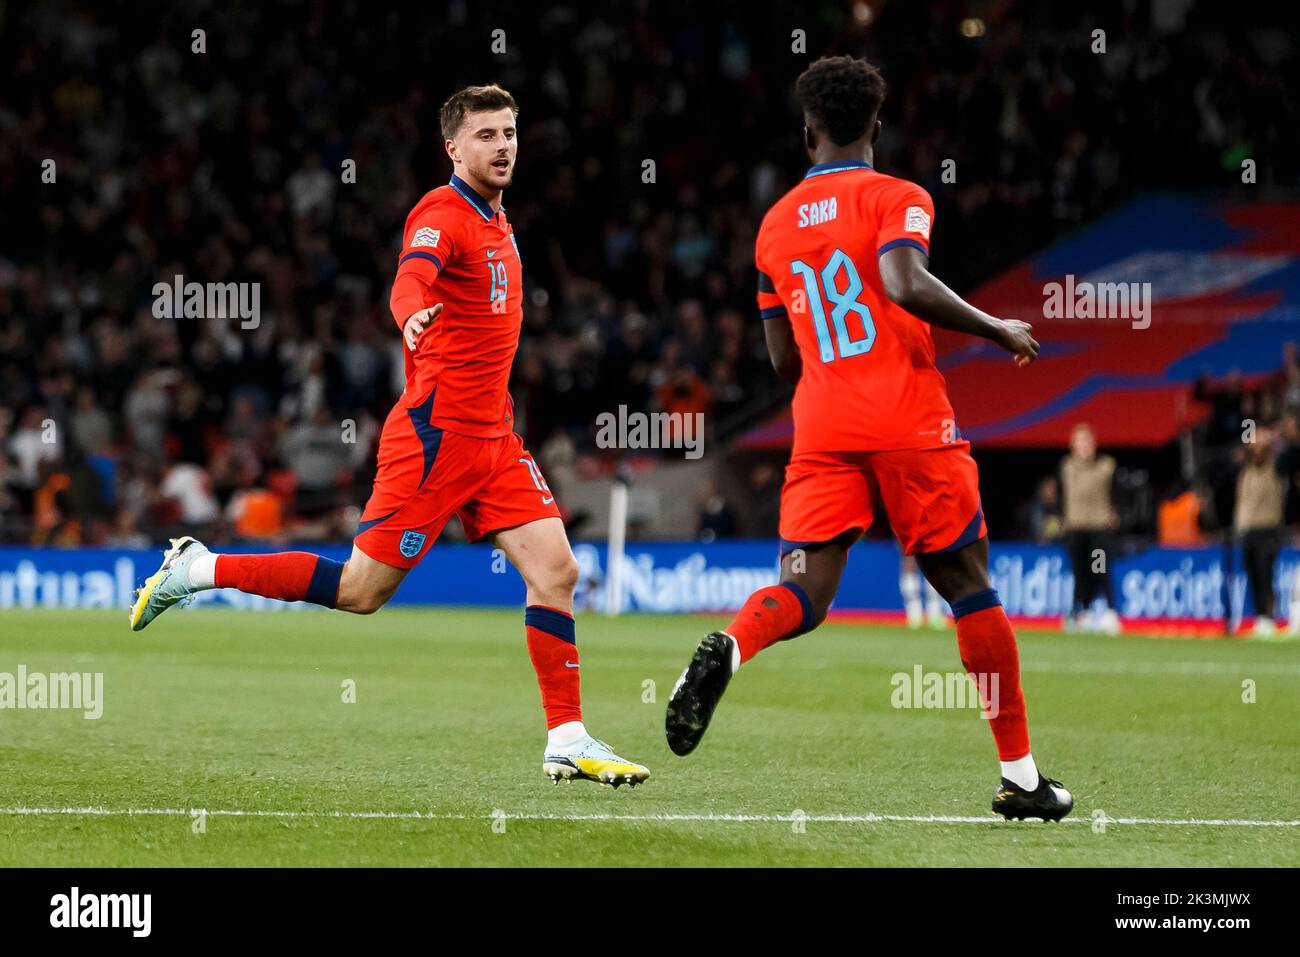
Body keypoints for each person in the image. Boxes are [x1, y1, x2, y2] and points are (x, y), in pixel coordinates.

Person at [129, 84, 648, 789]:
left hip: (493, 439)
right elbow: (411, 278)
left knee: (556, 571)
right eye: (487, 135)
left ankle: (566, 736)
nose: (503, 146)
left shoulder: (501, 220)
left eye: (510, 133)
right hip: (434, 438)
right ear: (453, 147)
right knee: (360, 591)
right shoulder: (442, 212)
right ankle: (197, 569)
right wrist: (409, 314)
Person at [664, 55, 1071, 821]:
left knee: (806, 590)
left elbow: (783, 359)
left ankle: (731, 644)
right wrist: (994, 327)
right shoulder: (898, 196)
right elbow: (903, 280)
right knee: (967, 585)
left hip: (821, 422)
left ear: (807, 130)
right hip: (909, 417)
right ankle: (1020, 777)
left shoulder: (774, 224)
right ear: (875, 127)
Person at [1059, 423, 1121, 634]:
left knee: (1100, 570)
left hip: (1098, 530)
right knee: (1080, 573)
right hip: (1076, 530)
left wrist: (1115, 515)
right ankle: (1082, 613)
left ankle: (1110, 613)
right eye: (1080, 441)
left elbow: (1118, 495)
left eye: (1088, 441)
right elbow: (1061, 497)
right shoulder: (1066, 467)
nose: (1085, 446)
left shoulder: (1106, 466)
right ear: (1072, 445)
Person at [1235, 427, 1285, 637]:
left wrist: (1268, 437)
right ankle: (1260, 617)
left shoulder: (1275, 470)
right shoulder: (1246, 472)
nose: (1256, 452)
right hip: (1248, 531)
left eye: (1260, 449)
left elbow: (1284, 453)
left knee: (1265, 574)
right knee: (1254, 576)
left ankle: (1269, 617)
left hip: (1267, 530)